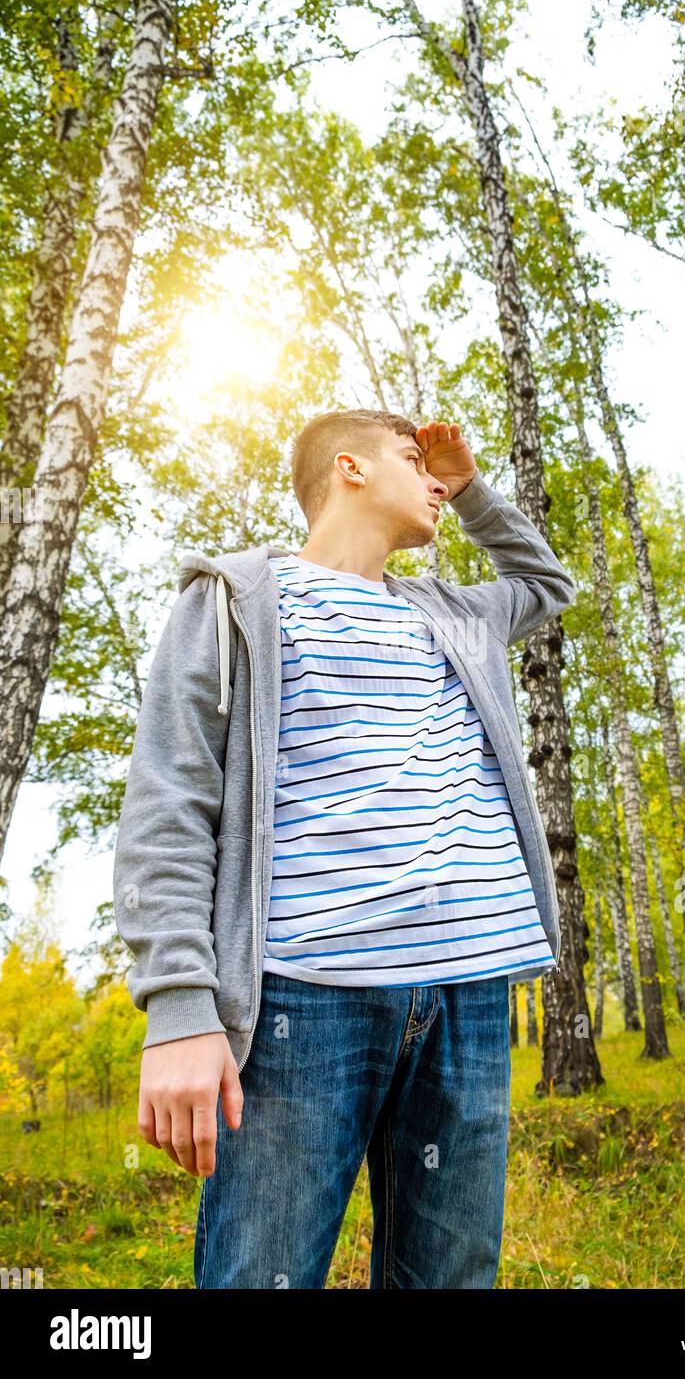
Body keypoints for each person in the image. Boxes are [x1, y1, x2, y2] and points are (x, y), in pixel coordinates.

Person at [113, 408, 576, 1288]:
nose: (434, 482)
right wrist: (179, 1006)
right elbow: (170, 801)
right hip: (305, 1000)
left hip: (471, 991)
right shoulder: (235, 599)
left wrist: (472, 487)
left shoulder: (458, 615)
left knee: (450, 1277)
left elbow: (547, 584)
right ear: (350, 468)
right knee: (263, 1274)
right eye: (416, 461)